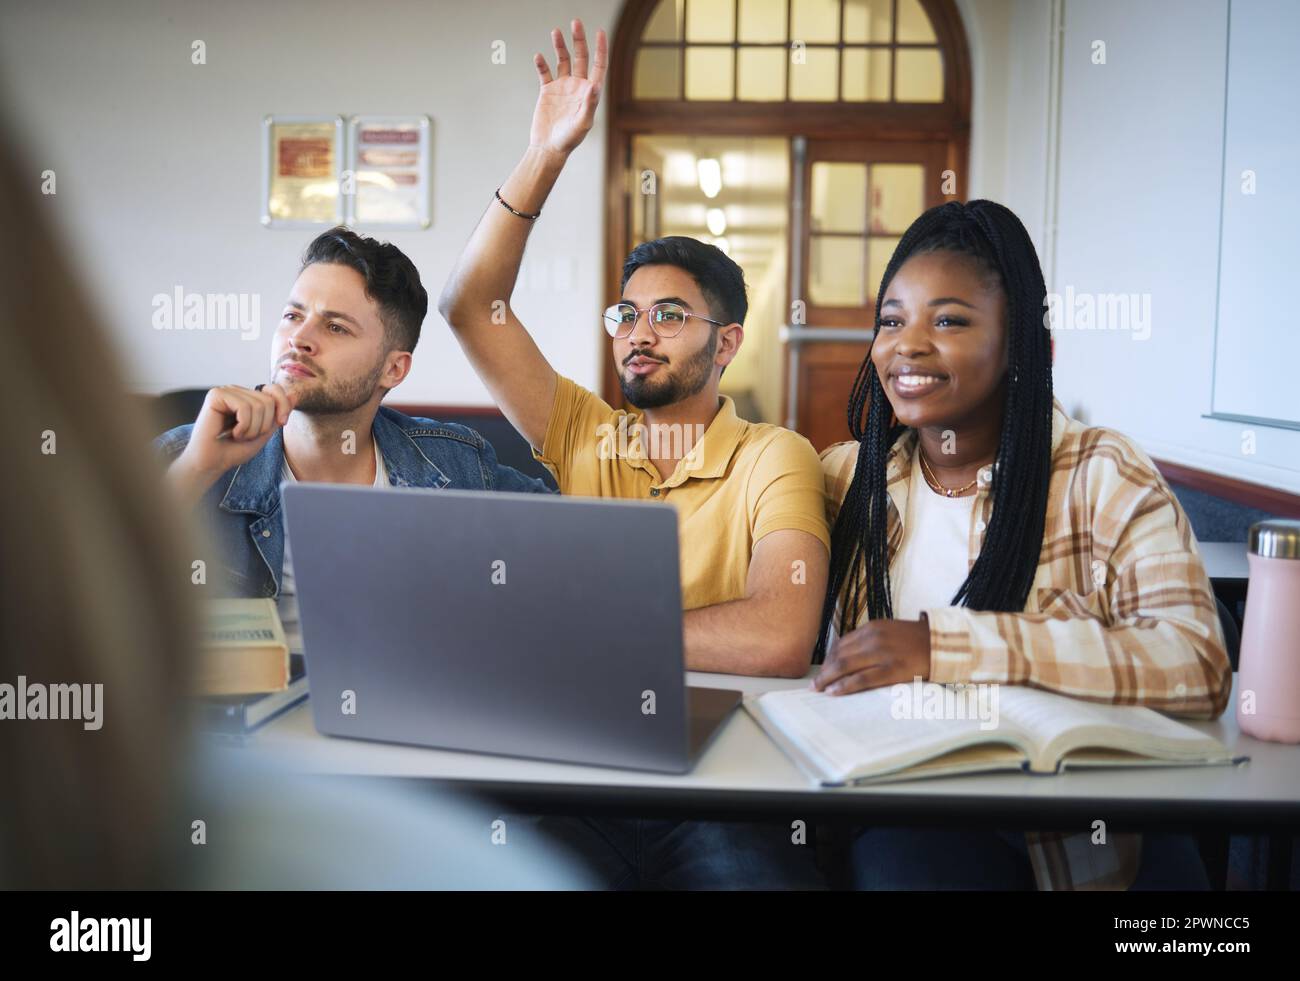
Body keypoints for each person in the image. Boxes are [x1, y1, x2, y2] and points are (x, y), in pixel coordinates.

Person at [436, 19, 830, 888]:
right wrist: (545, 153)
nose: (637, 333)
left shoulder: (776, 456)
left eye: (669, 315)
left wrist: (585, 632)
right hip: (580, 769)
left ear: (725, 345)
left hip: (724, 782)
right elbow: (469, 305)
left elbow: (777, 638)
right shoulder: (582, 429)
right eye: (627, 313)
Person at [813, 199, 1232, 890]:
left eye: (948, 319)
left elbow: (1196, 662)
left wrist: (941, 647)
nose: (907, 344)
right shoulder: (845, 480)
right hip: (906, 823)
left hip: (1079, 843)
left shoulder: (1101, 474)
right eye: (891, 320)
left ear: (1019, 345)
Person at [157, 226, 550, 650]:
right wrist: (198, 468)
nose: (300, 340)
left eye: (336, 327)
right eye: (293, 316)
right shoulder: (188, 455)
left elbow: (576, 547)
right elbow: (90, 590)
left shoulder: (456, 464)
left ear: (393, 370)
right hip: (251, 711)